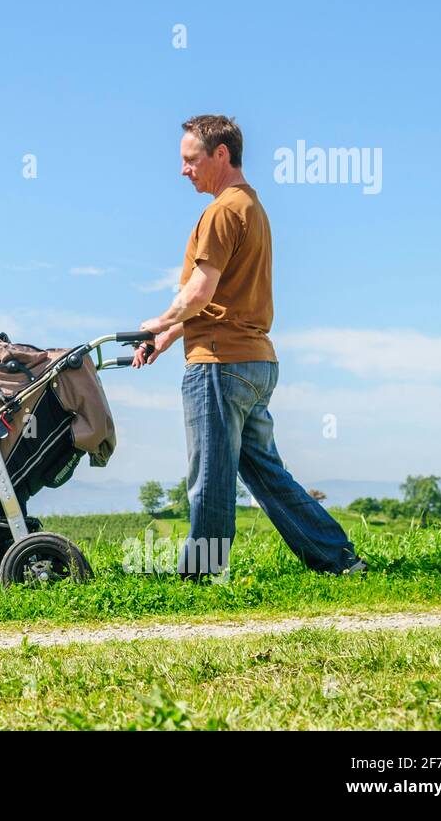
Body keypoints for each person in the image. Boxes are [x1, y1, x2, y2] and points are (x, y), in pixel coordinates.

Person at [132, 114, 366, 578]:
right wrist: (167, 336)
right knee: (265, 474)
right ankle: (339, 560)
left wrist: (157, 320)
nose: (183, 170)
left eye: (190, 160)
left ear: (221, 154)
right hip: (254, 363)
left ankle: (201, 575)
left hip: (220, 364)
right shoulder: (251, 208)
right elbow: (222, 300)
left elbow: (200, 292)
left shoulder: (221, 211)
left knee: (209, 480)